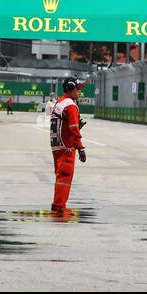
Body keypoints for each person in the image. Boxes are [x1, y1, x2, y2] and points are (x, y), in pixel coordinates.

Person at [49, 77, 87, 213]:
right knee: (64, 176)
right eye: (78, 89)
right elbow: (73, 129)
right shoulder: (70, 105)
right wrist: (80, 147)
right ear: (70, 88)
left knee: (60, 176)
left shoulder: (60, 102)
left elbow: (67, 126)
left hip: (57, 145)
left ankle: (58, 204)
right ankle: (59, 206)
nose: (79, 92)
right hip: (66, 147)